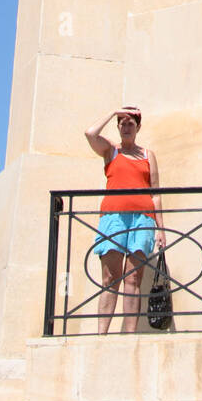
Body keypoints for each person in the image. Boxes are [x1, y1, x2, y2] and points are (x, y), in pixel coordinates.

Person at [84, 106, 165, 334]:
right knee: (110, 278)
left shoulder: (148, 155)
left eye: (130, 123)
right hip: (114, 218)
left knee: (133, 280)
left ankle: (129, 335)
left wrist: (161, 229)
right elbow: (90, 134)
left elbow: (155, 193)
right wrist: (112, 112)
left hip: (142, 219)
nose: (126, 127)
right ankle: (102, 334)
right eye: (122, 123)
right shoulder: (111, 151)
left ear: (138, 127)